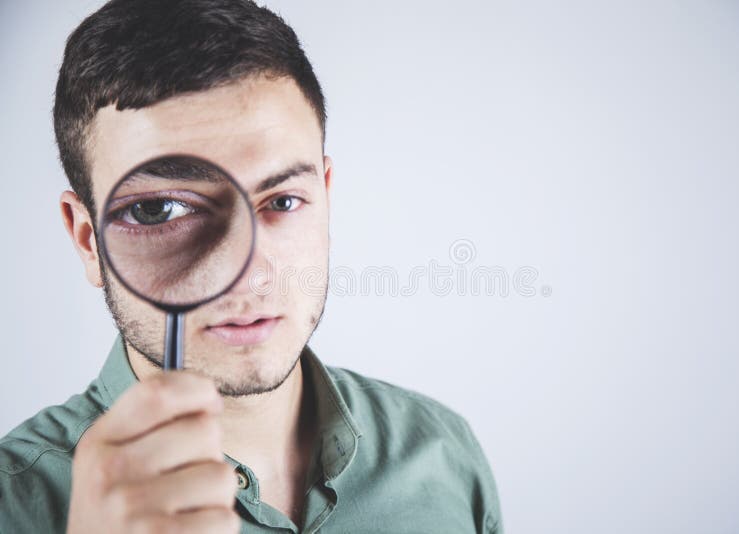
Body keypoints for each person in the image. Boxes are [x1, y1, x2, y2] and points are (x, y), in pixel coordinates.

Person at [0, 1, 502, 533]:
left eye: (282, 201)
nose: (246, 275)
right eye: (158, 210)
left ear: (325, 200)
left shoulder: (444, 455)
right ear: (88, 242)